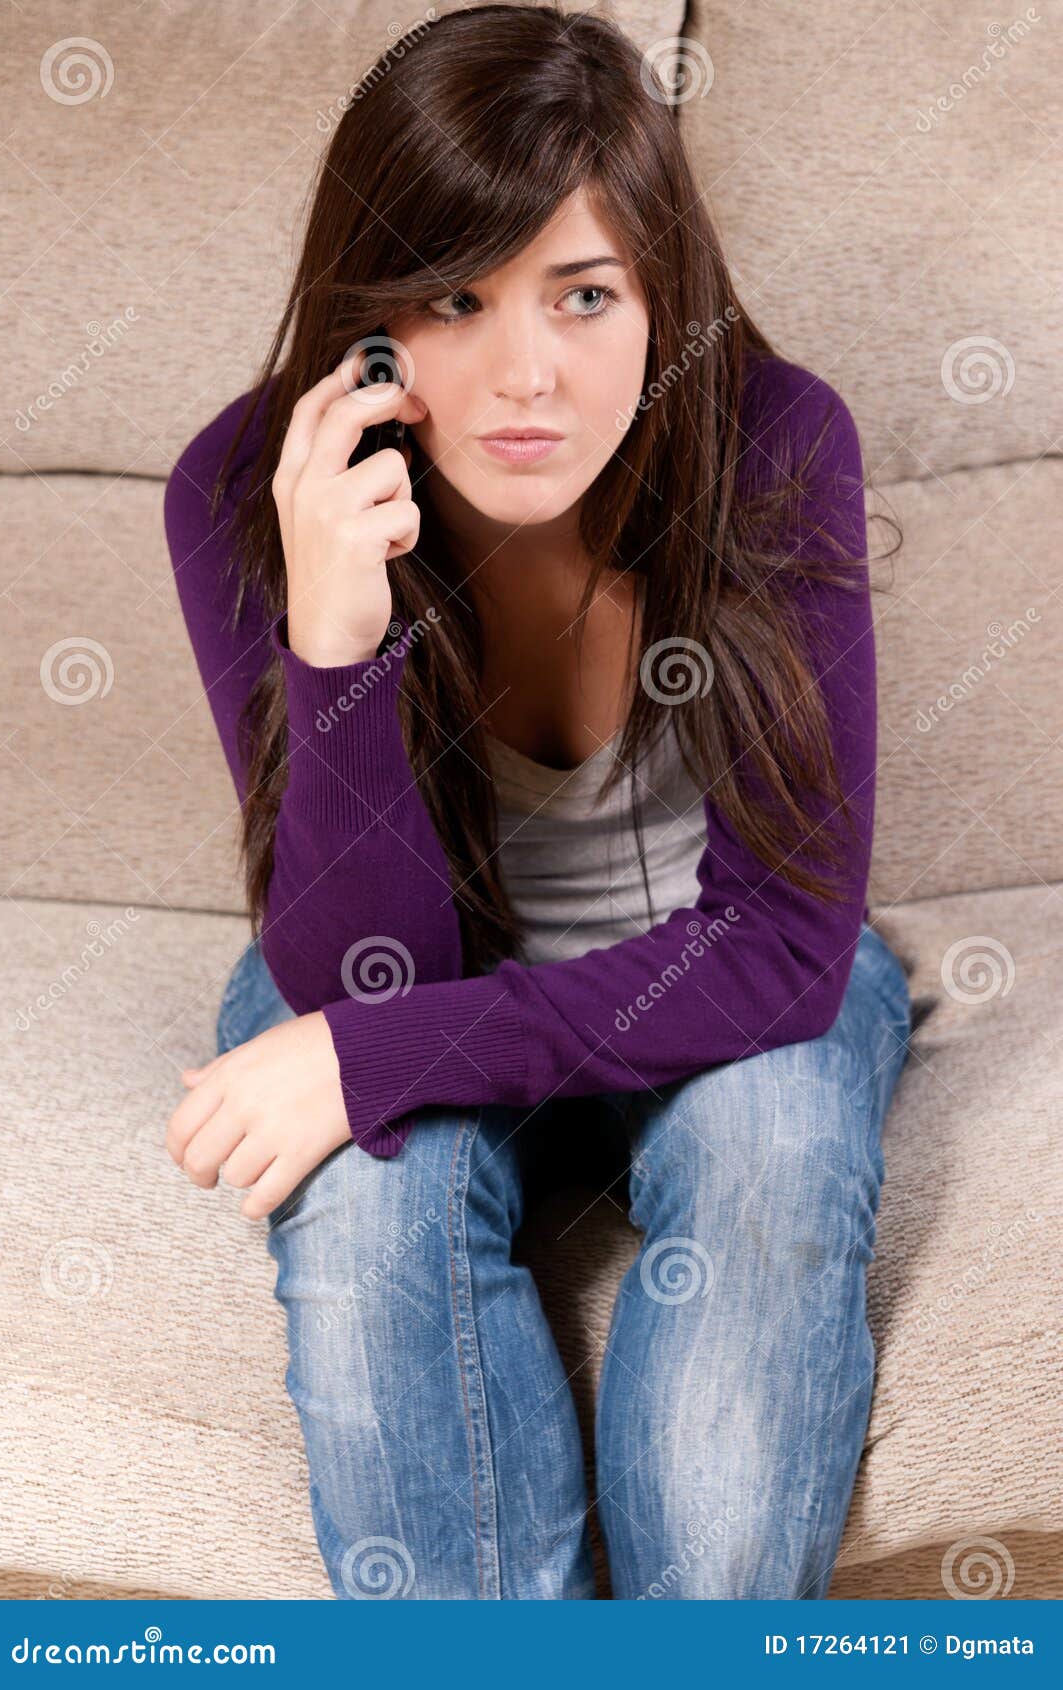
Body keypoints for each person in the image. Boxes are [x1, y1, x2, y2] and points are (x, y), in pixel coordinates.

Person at [162, 3, 912, 1600]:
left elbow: (780, 954)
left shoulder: (779, 446)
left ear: (662, 300)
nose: (526, 378)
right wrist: (337, 634)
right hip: (406, 967)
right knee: (366, 1212)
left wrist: (373, 1056)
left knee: (779, 1149)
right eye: (453, 296)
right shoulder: (246, 487)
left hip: (722, 966)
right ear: (365, 321)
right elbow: (363, 971)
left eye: (584, 296)